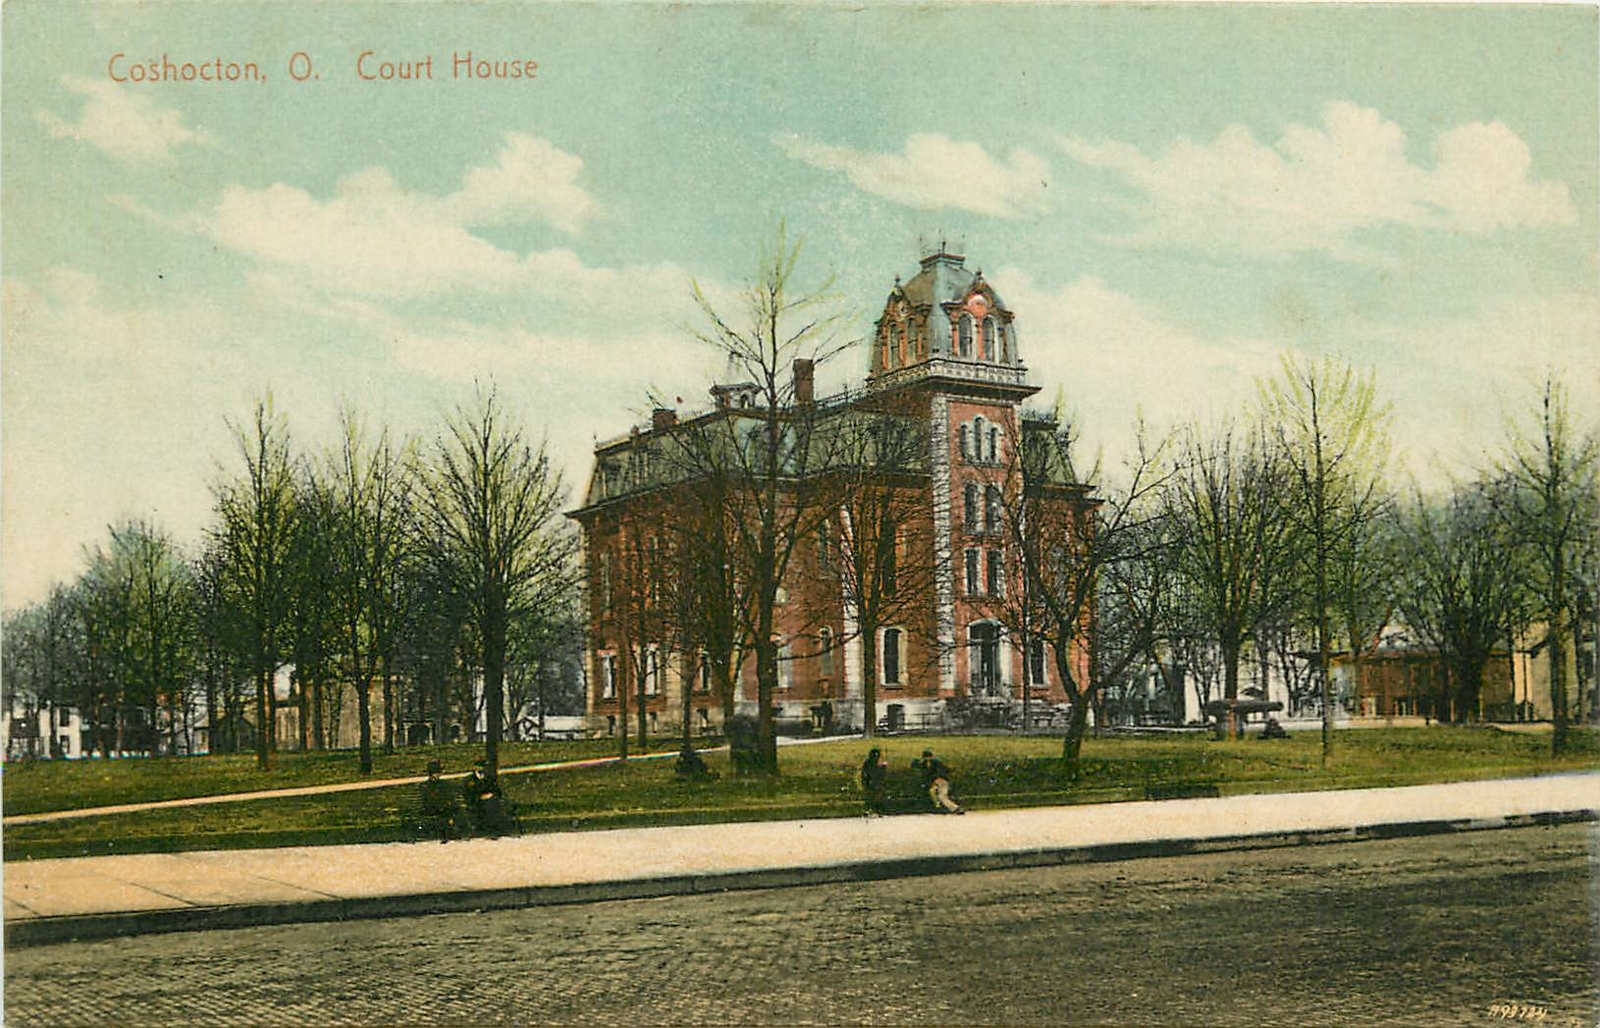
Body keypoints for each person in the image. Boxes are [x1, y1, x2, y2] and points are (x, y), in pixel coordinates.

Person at [418, 760, 460, 843]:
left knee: (457, 810)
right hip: (432, 808)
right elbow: (428, 800)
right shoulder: (425, 785)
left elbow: (448, 796)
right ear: (431, 774)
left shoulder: (443, 784)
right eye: (436, 773)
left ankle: (459, 832)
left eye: (439, 773)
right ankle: (446, 834)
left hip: (444, 807)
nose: (438, 775)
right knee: (443, 813)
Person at [912, 748, 964, 814]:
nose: (928, 759)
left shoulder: (936, 763)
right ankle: (938, 806)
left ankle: (955, 808)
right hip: (936, 782)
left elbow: (944, 770)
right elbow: (915, 764)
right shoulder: (925, 764)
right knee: (932, 792)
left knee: (941, 796)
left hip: (941, 782)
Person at [860, 747, 889, 815]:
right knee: (872, 797)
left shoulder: (879, 763)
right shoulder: (868, 763)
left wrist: (883, 767)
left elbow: (882, 774)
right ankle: (871, 809)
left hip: (876, 783)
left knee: (877, 796)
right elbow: (866, 773)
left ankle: (877, 810)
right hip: (871, 783)